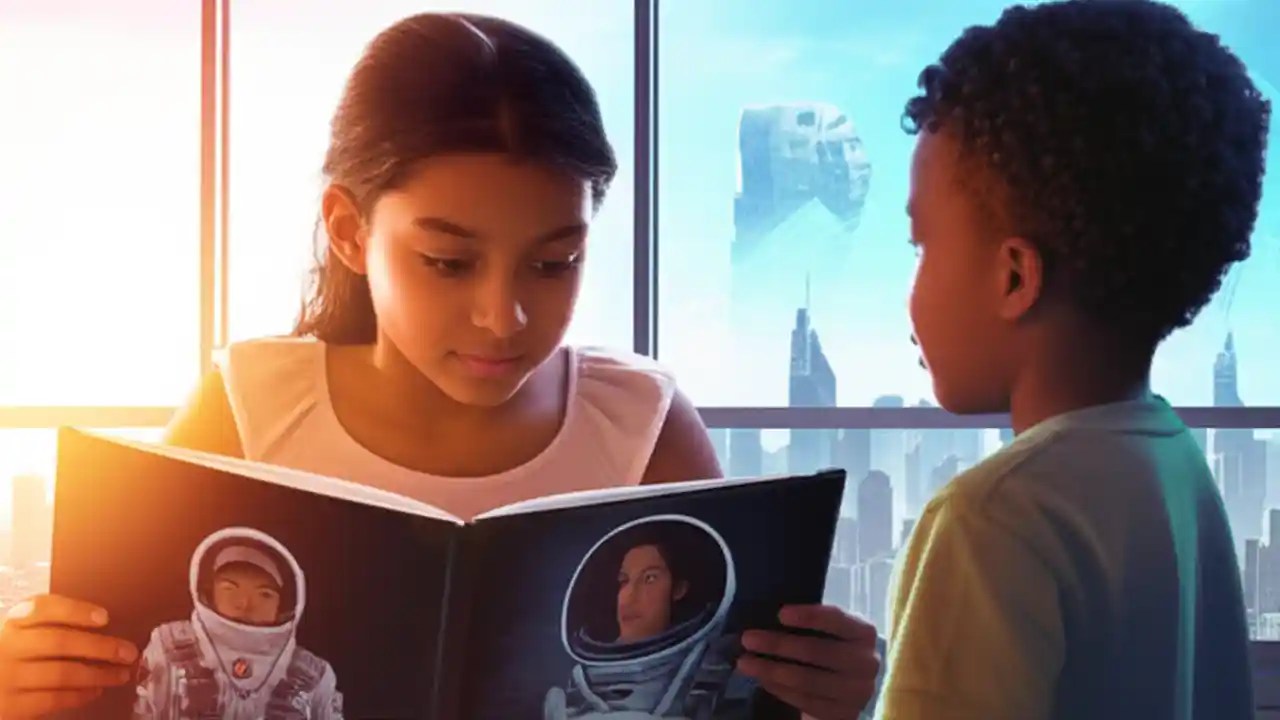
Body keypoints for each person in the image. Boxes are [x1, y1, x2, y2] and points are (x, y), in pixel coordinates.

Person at [0, 12, 878, 719]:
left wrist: (823, 701)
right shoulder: (247, 406)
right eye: (449, 263)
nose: (507, 316)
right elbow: (121, 676)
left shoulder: (640, 422)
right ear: (350, 231)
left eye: (554, 261)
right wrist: (36, 682)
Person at [878, 1, 1269, 718]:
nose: (911, 283)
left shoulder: (991, 518)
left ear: (1014, 278)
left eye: (921, 245)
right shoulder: (1176, 466)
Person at [132, 527, 342, 719]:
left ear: (283, 605)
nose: (245, 604)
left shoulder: (313, 676)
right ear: (209, 592)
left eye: (264, 595)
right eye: (230, 588)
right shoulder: (168, 649)